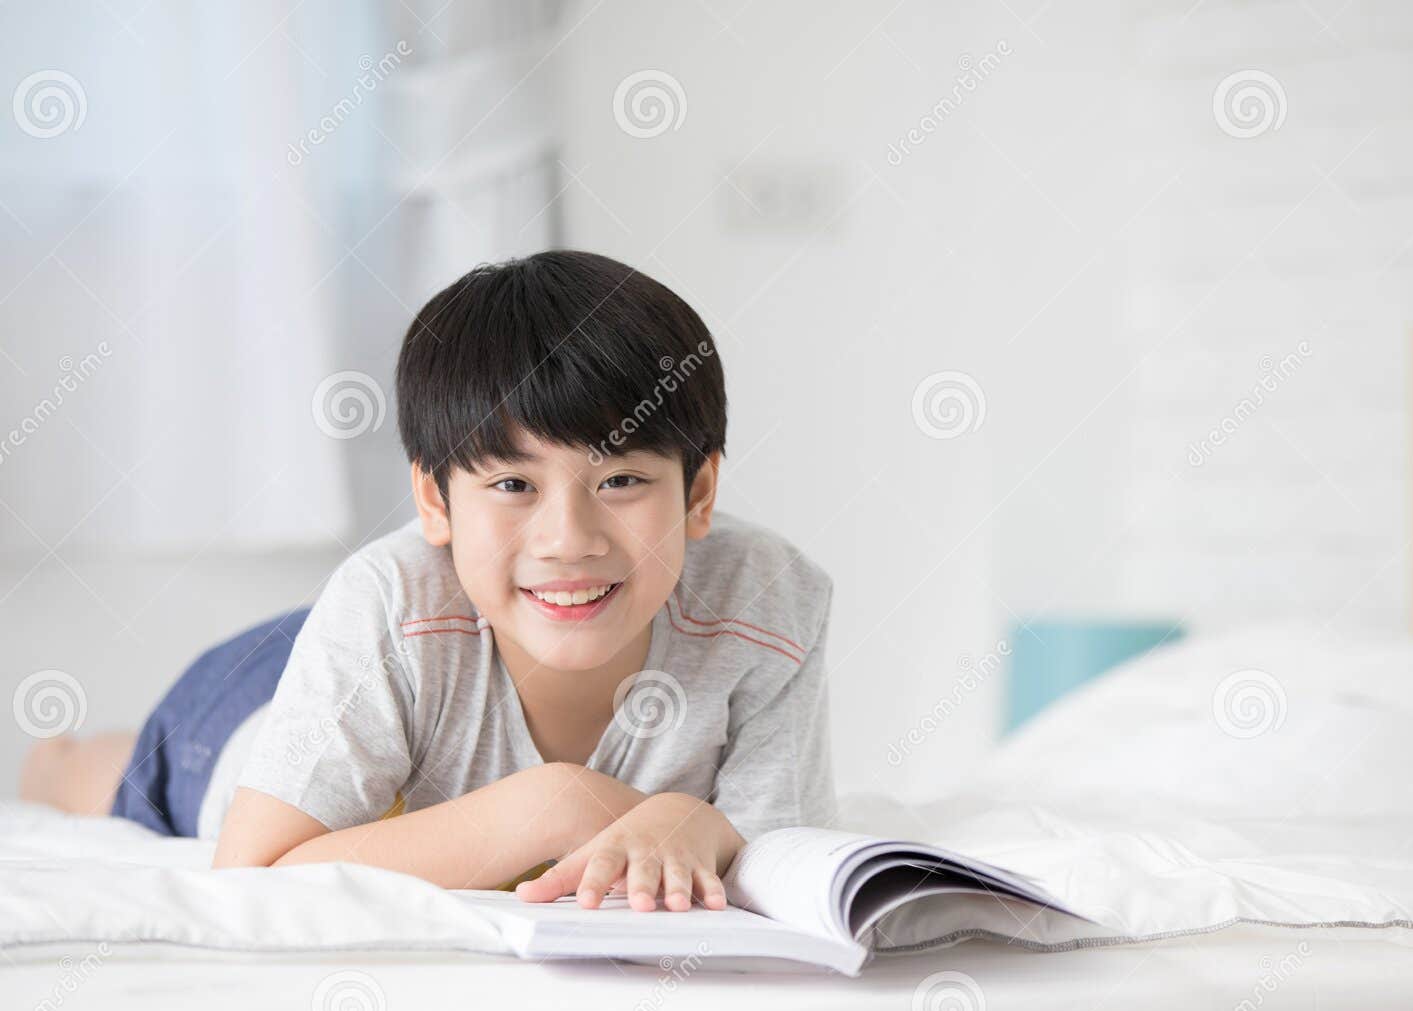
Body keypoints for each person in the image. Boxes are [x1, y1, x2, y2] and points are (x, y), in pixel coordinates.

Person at [21, 250, 836, 912]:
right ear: (432, 499)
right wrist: (552, 803)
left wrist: (695, 823)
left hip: (419, 652)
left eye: (620, 481)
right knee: (126, 778)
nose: (569, 540)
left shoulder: (768, 602)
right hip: (264, 701)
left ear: (698, 493)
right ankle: (56, 759)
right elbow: (253, 871)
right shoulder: (384, 601)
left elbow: (778, 854)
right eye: (513, 485)